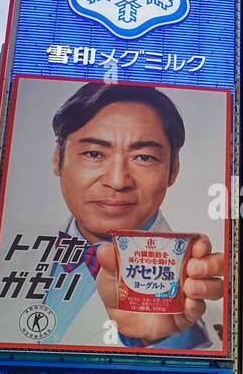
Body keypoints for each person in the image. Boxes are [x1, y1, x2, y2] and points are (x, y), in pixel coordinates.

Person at [35, 82, 225, 349]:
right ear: (58, 156)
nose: (116, 181)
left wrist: (160, 339)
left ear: (174, 169)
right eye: (93, 153)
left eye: (144, 157)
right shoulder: (0, 260)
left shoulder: (208, 298)